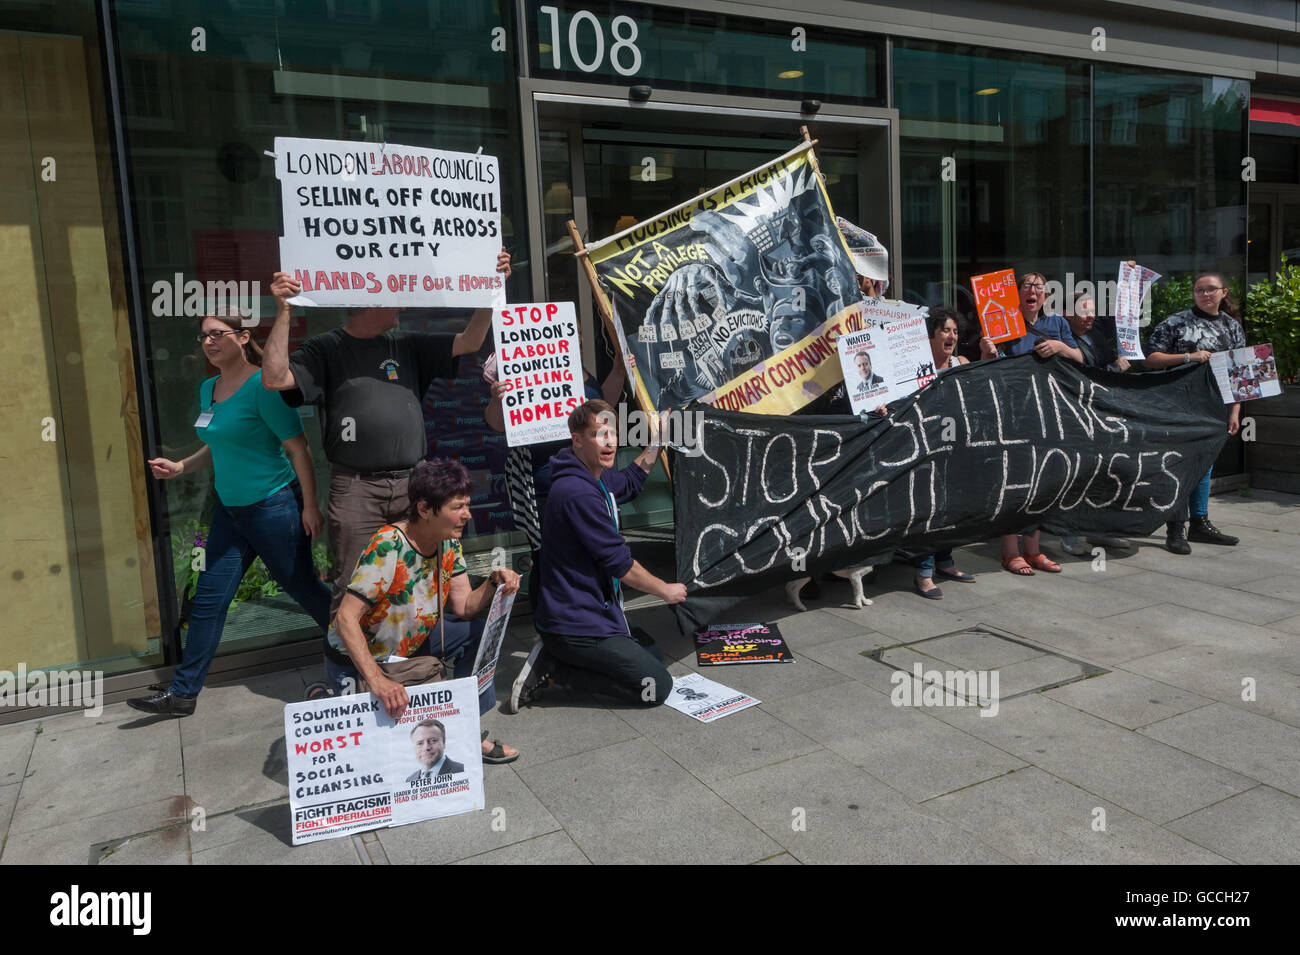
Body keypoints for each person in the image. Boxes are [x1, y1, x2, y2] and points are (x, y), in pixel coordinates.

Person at [129, 312, 330, 716]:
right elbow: (218, 445)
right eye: (203, 336)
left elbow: (299, 449)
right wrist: (182, 466)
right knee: (208, 600)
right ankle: (183, 693)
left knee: (307, 592)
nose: (208, 342)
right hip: (230, 511)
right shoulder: (209, 388)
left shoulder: (263, 386)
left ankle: (375, 657)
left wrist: (310, 506)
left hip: (273, 507)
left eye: (217, 334)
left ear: (242, 338)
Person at [328, 459, 522, 758]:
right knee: (378, 755)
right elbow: (345, 618)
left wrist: (494, 582)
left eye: (467, 506)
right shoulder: (388, 546)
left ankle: (469, 728)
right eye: (457, 507)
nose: (467, 515)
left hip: (411, 642)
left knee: (477, 632)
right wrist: (379, 681)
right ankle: (324, 692)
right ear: (424, 509)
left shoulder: (448, 542)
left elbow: (465, 607)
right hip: (363, 656)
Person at [508, 400, 686, 712]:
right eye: (598, 434)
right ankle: (555, 673)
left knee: (653, 653)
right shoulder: (577, 492)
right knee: (655, 686)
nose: (609, 442)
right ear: (576, 440)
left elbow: (629, 483)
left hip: (593, 612)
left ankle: (563, 659)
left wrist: (658, 441)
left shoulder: (592, 476)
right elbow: (620, 565)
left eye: (613, 434)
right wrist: (665, 590)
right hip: (575, 623)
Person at [981, 271, 1081, 576]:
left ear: (1046, 296)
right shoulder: (1002, 323)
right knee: (1015, 481)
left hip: (1049, 412)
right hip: (1014, 412)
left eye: (1038, 287)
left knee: (1043, 482)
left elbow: (1078, 357)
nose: (1033, 290)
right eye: (1026, 286)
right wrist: (987, 349)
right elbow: (989, 366)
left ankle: (1034, 550)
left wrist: (1059, 347)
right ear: (1017, 293)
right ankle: (1010, 552)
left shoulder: (1058, 324)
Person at [1143, 272, 1244, 554]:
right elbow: (1151, 359)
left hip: (1215, 406)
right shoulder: (1176, 322)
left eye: (1210, 289)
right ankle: (1176, 528)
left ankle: (1200, 523)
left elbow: (1239, 374)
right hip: (1179, 405)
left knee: (1204, 465)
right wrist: (1189, 356)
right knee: (1180, 465)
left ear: (1223, 293)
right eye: (1199, 289)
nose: (1204, 294)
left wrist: (1235, 411)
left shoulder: (1233, 327)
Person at [1058, 293, 1134, 558]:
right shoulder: (1064, 340)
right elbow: (1081, 379)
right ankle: (1069, 533)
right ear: (1067, 313)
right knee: (1075, 476)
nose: (1091, 316)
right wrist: (1114, 369)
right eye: (1084, 311)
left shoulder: (1096, 335)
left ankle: (1100, 529)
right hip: (1076, 418)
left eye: (1092, 311)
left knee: (1104, 474)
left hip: (1102, 417)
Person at [911, 306, 979, 599]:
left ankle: (945, 562)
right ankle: (924, 573)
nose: (951, 336)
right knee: (929, 509)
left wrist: (990, 356)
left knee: (950, 508)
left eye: (955, 331)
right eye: (945, 331)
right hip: (926, 446)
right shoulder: (915, 365)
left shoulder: (961, 362)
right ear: (931, 336)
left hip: (955, 446)